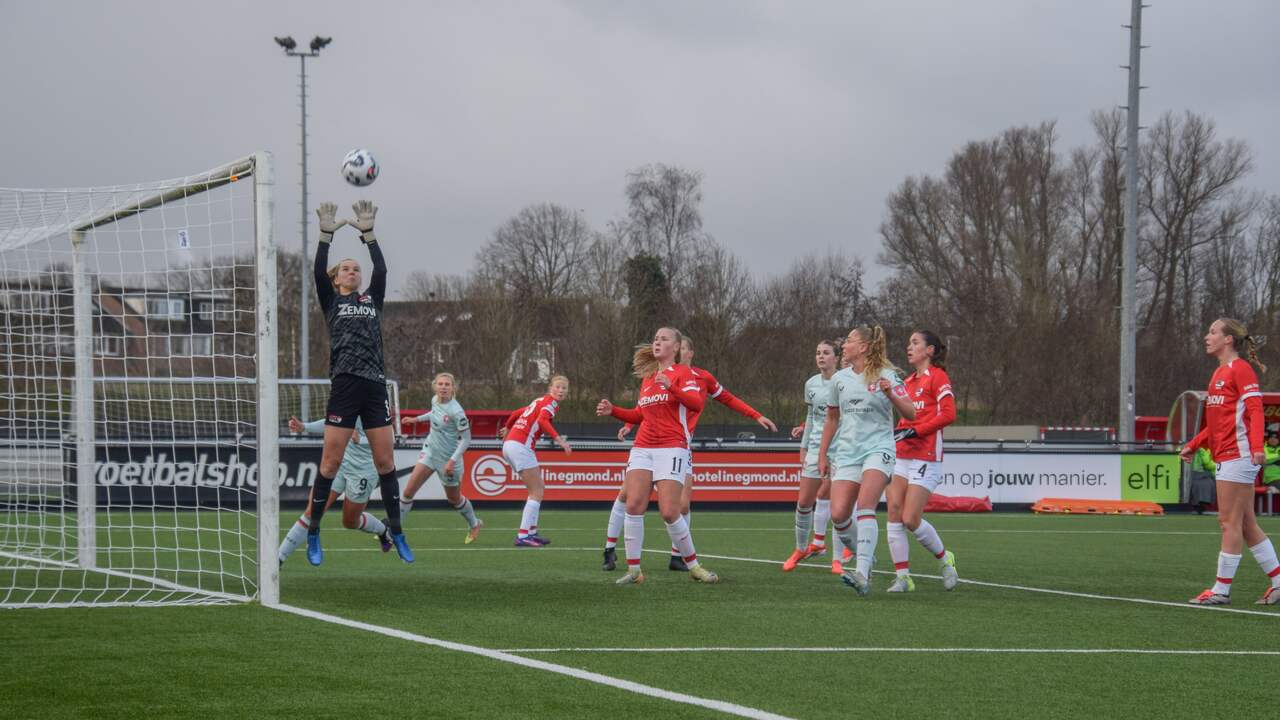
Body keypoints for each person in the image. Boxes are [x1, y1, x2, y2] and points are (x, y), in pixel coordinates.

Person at [602, 335, 777, 571]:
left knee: (679, 507)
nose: (680, 352)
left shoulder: (699, 377)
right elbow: (646, 410)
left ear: (688, 352)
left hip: (678, 445)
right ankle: (611, 550)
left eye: (683, 347)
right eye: (677, 346)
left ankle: (680, 558)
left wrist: (755, 415)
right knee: (629, 497)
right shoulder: (655, 377)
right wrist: (625, 422)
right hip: (650, 444)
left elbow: (726, 399)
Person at [306, 200, 411, 566]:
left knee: (385, 462)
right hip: (345, 386)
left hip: (374, 386)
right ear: (337, 279)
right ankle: (315, 531)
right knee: (330, 464)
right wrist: (325, 235)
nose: (353, 272)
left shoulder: (372, 300)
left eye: (356, 269)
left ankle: (396, 530)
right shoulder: (331, 301)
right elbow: (317, 269)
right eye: (346, 269)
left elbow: (381, 267)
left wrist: (369, 235)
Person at [596, 327, 719, 585]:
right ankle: (634, 571)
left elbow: (696, 404)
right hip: (643, 446)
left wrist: (672, 388)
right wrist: (613, 410)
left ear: (676, 348)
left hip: (672, 446)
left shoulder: (684, 373)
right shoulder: (649, 378)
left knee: (669, 512)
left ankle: (694, 567)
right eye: (655, 339)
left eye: (663, 339)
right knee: (633, 504)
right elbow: (639, 415)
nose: (657, 342)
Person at [1180, 318, 1278, 605]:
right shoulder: (1219, 373)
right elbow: (1216, 424)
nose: (1206, 336)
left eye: (1212, 332)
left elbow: (1256, 410)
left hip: (1239, 455)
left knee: (1228, 523)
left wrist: (1258, 446)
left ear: (1228, 340)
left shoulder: (1241, 369)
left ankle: (1221, 590)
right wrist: (1194, 445)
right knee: (1246, 524)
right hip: (1229, 455)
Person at [816, 325, 916, 596]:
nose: (843, 345)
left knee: (866, 505)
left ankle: (862, 574)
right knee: (838, 515)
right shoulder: (839, 379)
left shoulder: (888, 376)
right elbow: (832, 418)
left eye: (848, 341)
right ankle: (866, 555)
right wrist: (823, 454)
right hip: (847, 452)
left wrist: (891, 394)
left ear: (862, 347)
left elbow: (912, 413)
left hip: (878, 448)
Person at [885, 330, 959, 592]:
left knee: (910, 518)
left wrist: (918, 430)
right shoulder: (908, 381)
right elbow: (907, 417)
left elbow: (949, 414)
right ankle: (903, 578)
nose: (909, 347)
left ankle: (945, 560)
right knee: (894, 511)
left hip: (926, 455)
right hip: (902, 454)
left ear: (930, 351)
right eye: (909, 343)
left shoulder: (938, 377)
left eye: (915, 343)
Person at [278, 417, 392, 564]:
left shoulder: (377, 403)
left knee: (350, 521)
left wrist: (363, 439)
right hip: (340, 463)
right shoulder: (346, 398)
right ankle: (279, 558)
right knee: (312, 512)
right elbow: (332, 422)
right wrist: (304, 427)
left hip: (363, 470)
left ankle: (383, 530)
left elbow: (389, 439)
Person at [783, 339, 851, 573]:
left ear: (836, 357)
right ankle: (801, 548)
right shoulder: (811, 384)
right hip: (814, 449)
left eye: (826, 353)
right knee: (804, 502)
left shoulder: (846, 381)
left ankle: (837, 559)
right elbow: (812, 418)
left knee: (836, 506)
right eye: (818, 353)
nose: (821, 357)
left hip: (840, 450)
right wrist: (804, 446)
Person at [400, 373, 482, 544]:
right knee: (408, 492)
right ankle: (394, 529)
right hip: (430, 452)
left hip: (448, 460)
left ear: (453, 388)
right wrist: (416, 419)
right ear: (435, 386)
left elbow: (466, 439)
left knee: (454, 499)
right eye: (440, 384)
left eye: (447, 384)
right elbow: (433, 413)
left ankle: (474, 524)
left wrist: (452, 461)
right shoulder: (435, 400)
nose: (443, 387)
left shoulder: (456, 411)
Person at [499, 376, 572, 546]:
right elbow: (542, 420)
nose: (560, 391)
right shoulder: (551, 403)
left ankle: (531, 532)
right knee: (537, 490)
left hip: (511, 445)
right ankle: (523, 536)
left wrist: (508, 427)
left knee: (538, 488)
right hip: (521, 446)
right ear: (550, 388)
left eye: (564, 388)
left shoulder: (539, 400)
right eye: (558, 387)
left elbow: (516, 413)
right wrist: (559, 440)